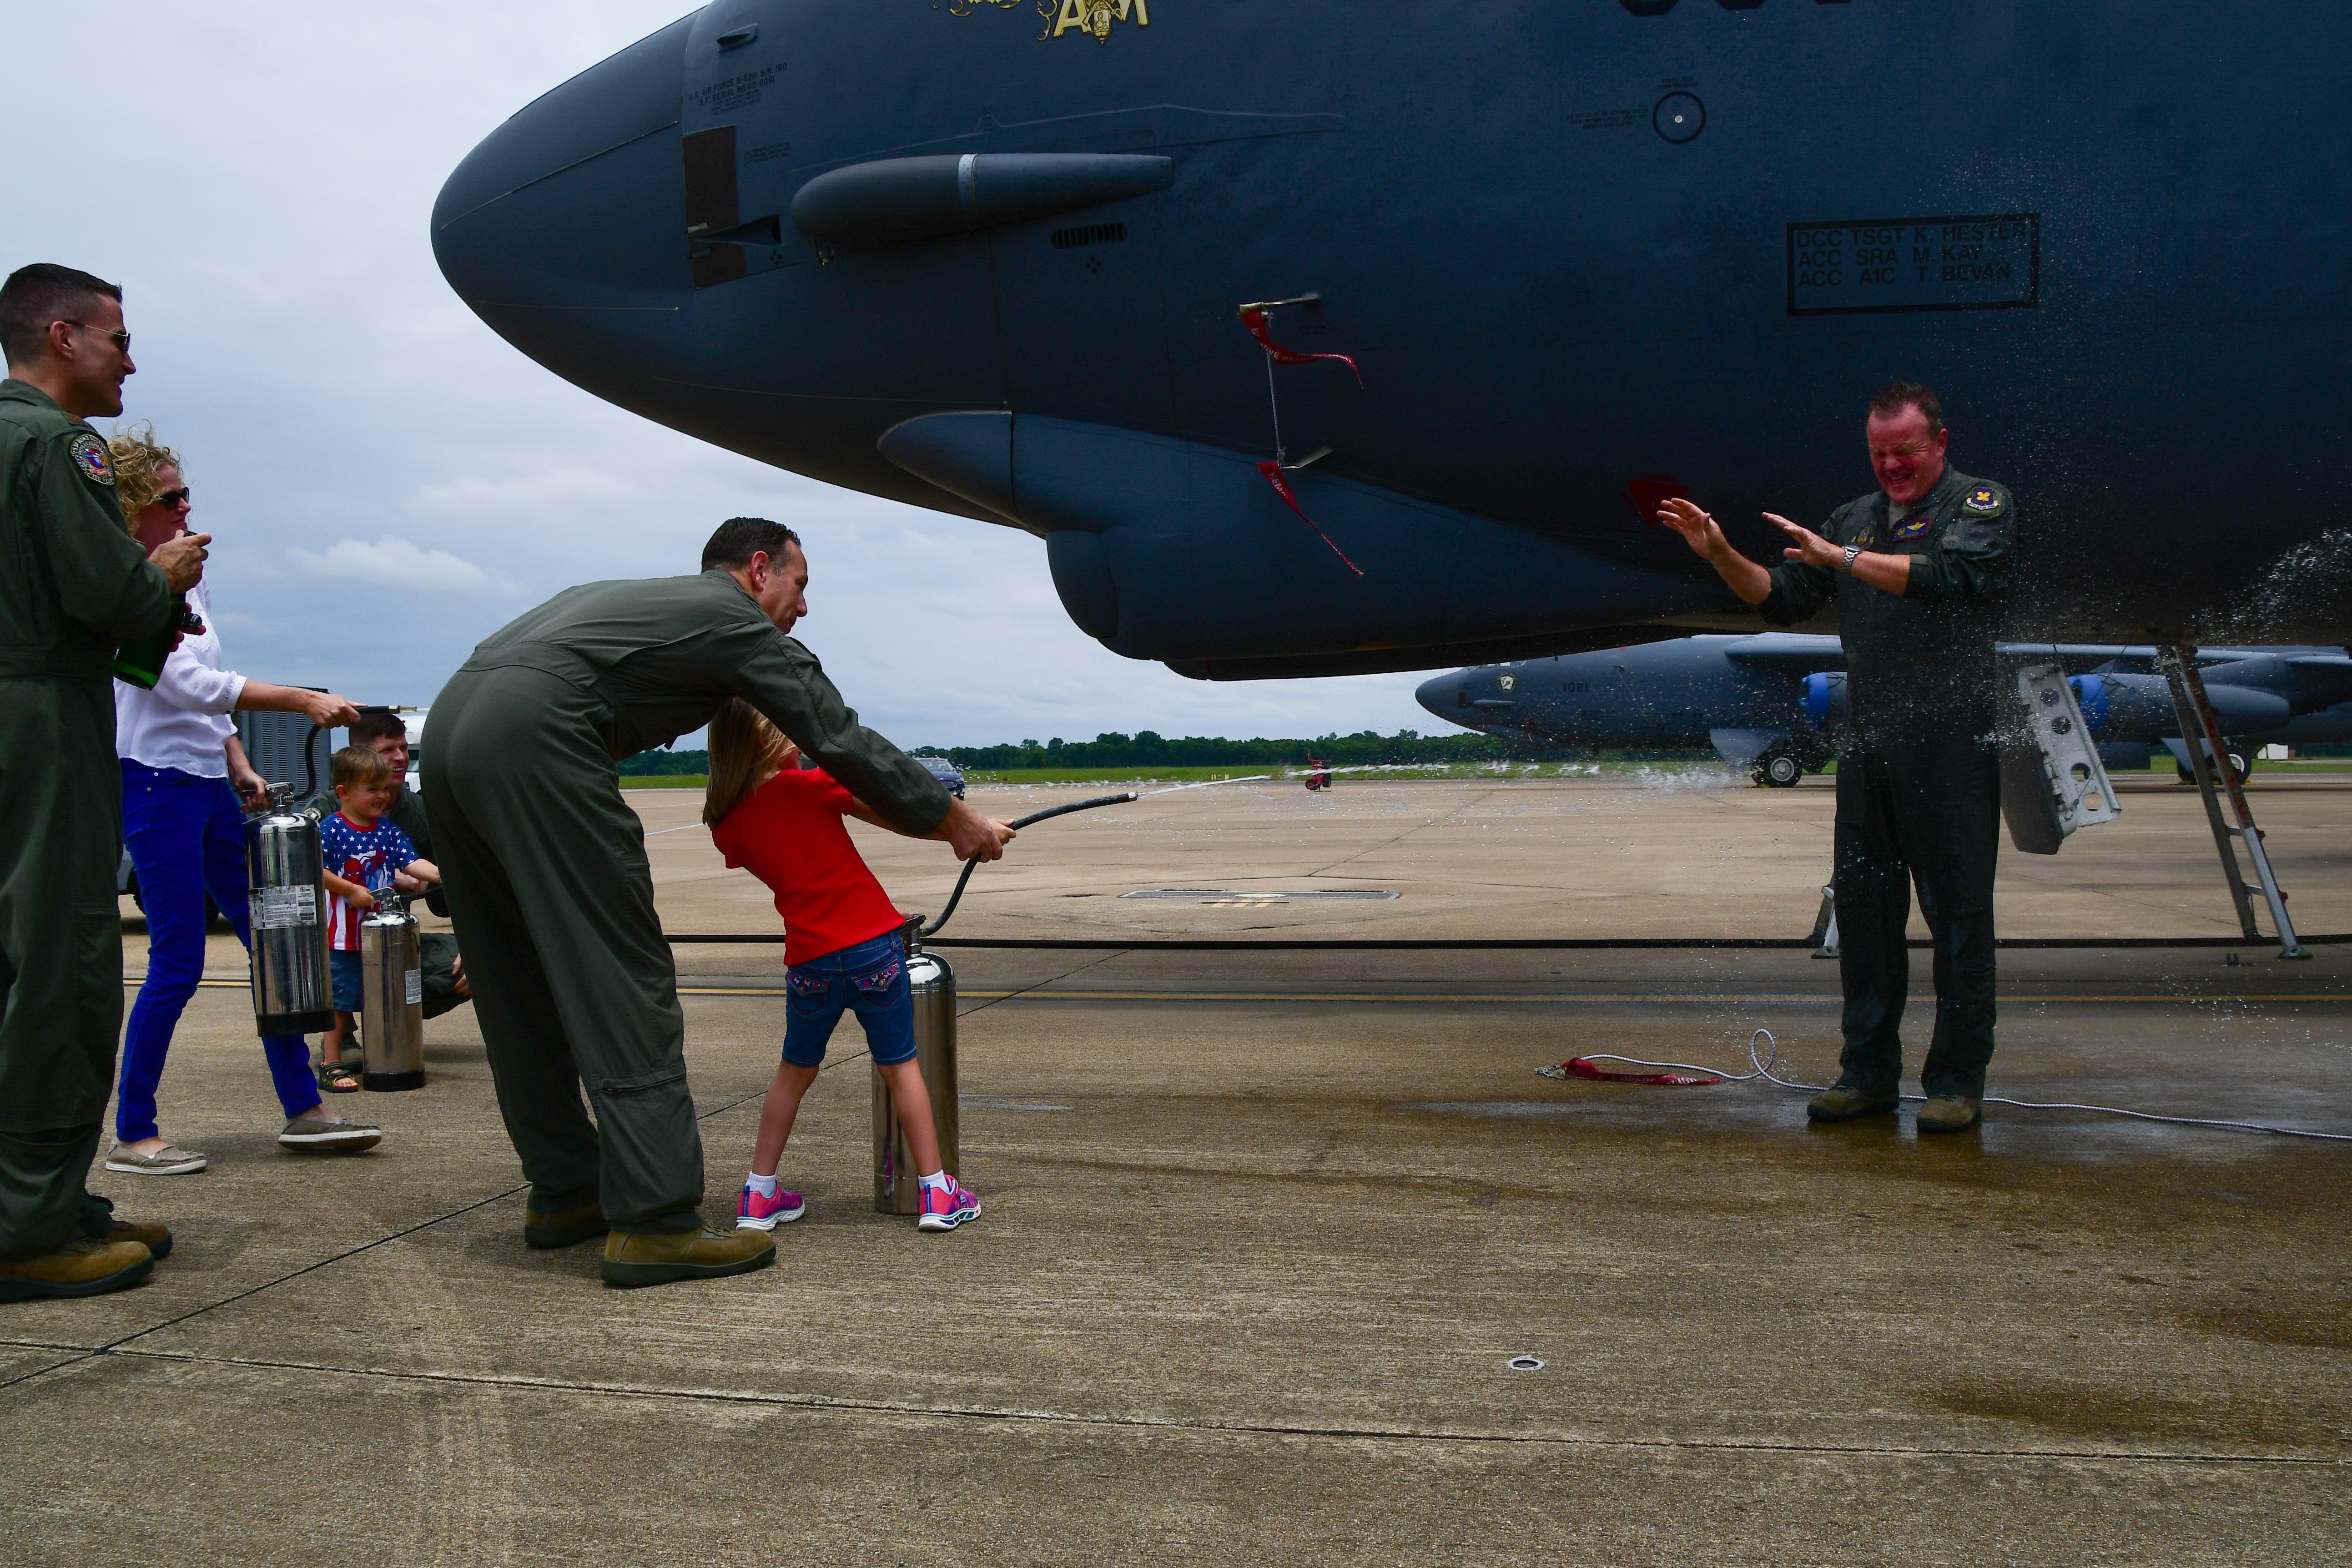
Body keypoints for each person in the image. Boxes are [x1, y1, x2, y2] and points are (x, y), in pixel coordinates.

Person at [424, 516, 1015, 1288]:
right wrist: (951, 819)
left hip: (449, 735)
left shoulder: (628, 600)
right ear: (759, 569)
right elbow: (833, 732)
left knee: (513, 980)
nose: (803, 608)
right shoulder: (732, 619)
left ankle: (567, 1191)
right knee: (622, 981)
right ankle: (656, 1222)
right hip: (540, 737)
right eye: (800, 587)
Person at [1657, 382, 2015, 1134]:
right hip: (1871, 742)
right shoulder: (1851, 520)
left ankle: (1955, 1083)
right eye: (1880, 454)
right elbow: (1783, 596)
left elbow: (1952, 579)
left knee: (1956, 921)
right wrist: (1720, 553)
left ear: (1940, 443)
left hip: (1950, 744)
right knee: (1865, 916)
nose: (1892, 466)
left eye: (1906, 451)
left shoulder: (1979, 503)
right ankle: (1867, 1076)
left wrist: (1846, 558)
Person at [0, 263, 206, 1299]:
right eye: (118, 339)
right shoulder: (55, 444)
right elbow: (103, 600)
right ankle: (31, 1224)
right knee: (63, 962)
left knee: (16, 960)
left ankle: (41, 1195)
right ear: (65, 337)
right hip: (43, 718)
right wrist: (161, 579)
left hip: (23, 709)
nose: (131, 359)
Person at [104, 428, 379, 1174]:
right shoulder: (128, 586)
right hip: (155, 783)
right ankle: (134, 1130)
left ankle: (305, 1108)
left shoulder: (189, 584)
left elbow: (206, 688)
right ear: (132, 511)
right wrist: (299, 700)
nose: (189, 509)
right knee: (178, 960)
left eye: (187, 494)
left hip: (202, 781)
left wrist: (237, 759)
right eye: (171, 499)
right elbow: (180, 684)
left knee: (271, 942)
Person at [705, 699, 997, 1233]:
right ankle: (937, 1192)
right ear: (768, 741)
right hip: (870, 950)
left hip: (809, 962)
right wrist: (968, 829)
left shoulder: (728, 826)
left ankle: (758, 1196)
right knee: (899, 1065)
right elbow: (891, 811)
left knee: (794, 1071)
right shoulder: (811, 785)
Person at [317, 746, 440, 1092]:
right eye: (372, 789)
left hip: (384, 937)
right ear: (344, 792)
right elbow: (316, 868)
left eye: (385, 789)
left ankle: (384, 1057)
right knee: (342, 1000)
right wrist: (349, 889)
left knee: (385, 997)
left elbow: (411, 862)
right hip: (344, 936)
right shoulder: (333, 829)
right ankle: (331, 1061)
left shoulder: (386, 830)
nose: (382, 796)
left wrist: (444, 874)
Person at [345, 708, 469, 1020]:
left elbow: (440, 891)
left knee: (486, 958)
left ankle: (396, 1020)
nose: (400, 757)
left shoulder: (417, 812)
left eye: (403, 747)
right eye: (387, 750)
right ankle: (341, 1043)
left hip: (395, 940)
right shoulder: (332, 811)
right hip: (338, 942)